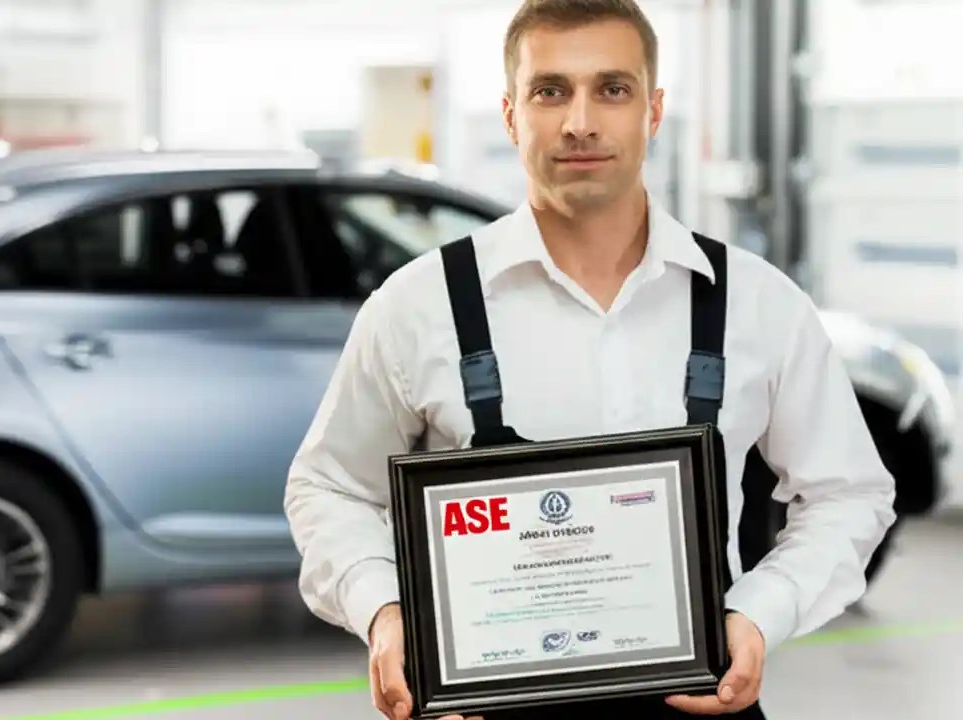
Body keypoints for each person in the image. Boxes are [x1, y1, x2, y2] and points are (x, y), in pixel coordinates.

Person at [283, 0, 896, 718]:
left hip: (699, 702)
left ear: (653, 109)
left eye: (612, 88)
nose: (580, 121)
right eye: (550, 91)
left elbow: (850, 492)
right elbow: (327, 487)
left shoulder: (759, 304)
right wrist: (386, 611)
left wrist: (761, 611)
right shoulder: (415, 307)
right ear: (511, 114)